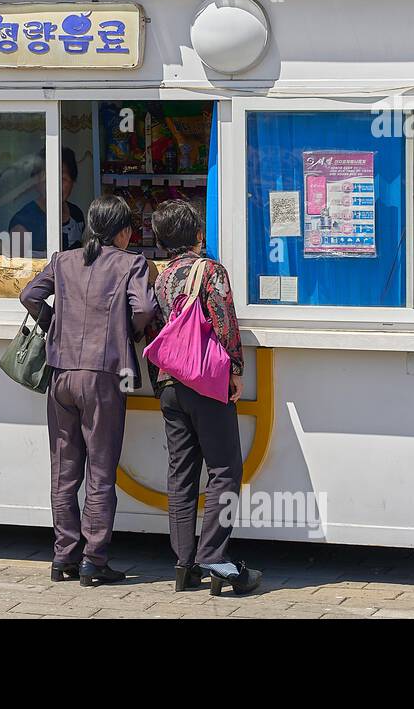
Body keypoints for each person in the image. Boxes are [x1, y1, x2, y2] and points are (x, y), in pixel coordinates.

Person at [20, 195, 157, 587]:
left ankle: (63, 556)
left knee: (63, 471)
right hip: (104, 377)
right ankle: (93, 560)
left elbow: (29, 295)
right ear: (124, 231)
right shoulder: (132, 263)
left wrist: (53, 324)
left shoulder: (64, 260)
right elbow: (145, 309)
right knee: (100, 471)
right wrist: (126, 333)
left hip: (60, 373)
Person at [148, 199, 262, 597]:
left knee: (181, 475)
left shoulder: (160, 279)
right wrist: (236, 370)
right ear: (197, 233)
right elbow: (225, 322)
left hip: (169, 385)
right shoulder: (210, 271)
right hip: (206, 384)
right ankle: (214, 557)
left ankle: (183, 565)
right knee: (225, 469)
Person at [8, 148, 86, 258]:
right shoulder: (23, 223)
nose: (55, 185)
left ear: (73, 182)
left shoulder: (77, 216)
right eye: (47, 178)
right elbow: (17, 270)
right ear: (36, 182)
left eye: (63, 179)